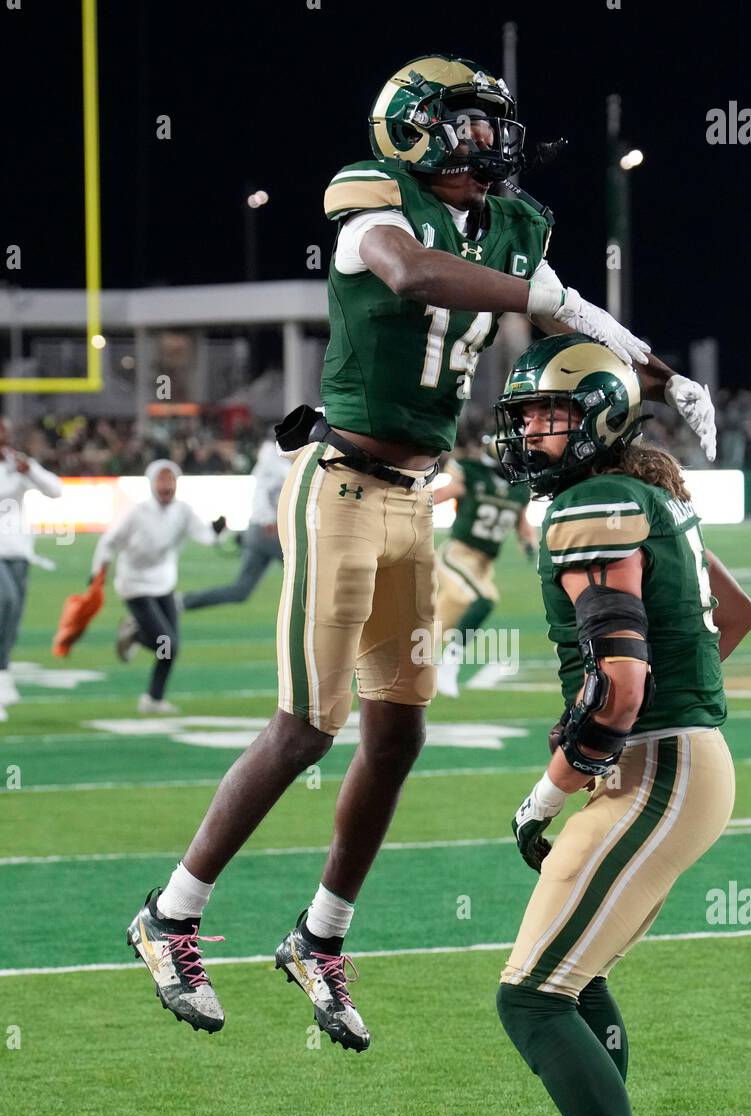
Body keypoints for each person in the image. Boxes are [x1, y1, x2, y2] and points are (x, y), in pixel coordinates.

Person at [125, 53, 719, 1047]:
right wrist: (531, 290)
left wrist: (658, 375)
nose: (489, 141)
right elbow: (411, 271)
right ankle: (172, 912)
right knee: (309, 726)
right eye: (469, 123)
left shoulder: (511, 229)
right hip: (342, 489)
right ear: (412, 128)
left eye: (493, 124)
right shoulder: (376, 202)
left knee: (397, 734)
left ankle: (320, 936)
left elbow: (570, 310)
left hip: (413, 503)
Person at [491, 334, 751, 1116]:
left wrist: (547, 791)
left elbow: (619, 685)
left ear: (599, 415)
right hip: (671, 761)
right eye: (523, 414)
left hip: (659, 768)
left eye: (550, 415)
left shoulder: (595, 501)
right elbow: (735, 615)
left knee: (530, 999)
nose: (530, 431)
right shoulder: (647, 495)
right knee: (573, 972)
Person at [90, 460, 225, 714]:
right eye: (162, 480)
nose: (167, 485)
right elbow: (109, 542)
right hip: (135, 586)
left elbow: (204, 535)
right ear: (152, 483)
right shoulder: (136, 512)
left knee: (170, 650)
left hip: (164, 585)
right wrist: (98, 570)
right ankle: (135, 633)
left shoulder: (183, 510)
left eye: (171, 480)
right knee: (168, 645)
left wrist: (217, 531)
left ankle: (153, 698)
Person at [432, 435, 534, 697]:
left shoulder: (520, 489)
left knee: (434, 626)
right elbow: (443, 494)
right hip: (458, 554)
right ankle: (449, 664)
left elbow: (522, 522)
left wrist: (531, 548)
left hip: (483, 565)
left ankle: (409, 666)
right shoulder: (473, 474)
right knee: (484, 599)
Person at [179, 435, 289, 613]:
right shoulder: (275, 462)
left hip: (258, 530)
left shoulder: (270, 460)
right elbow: (264, 493)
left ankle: (182, 602)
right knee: (308, 574)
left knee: (240, 590)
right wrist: (268, 518)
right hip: (268, 531)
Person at [0, 416, 64, 720]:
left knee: (13, 615)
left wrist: (31, 471)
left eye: (5, 431)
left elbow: (55, 490)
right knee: (6, 600)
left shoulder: (18, 463)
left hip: (19, 552)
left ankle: (3, 671)